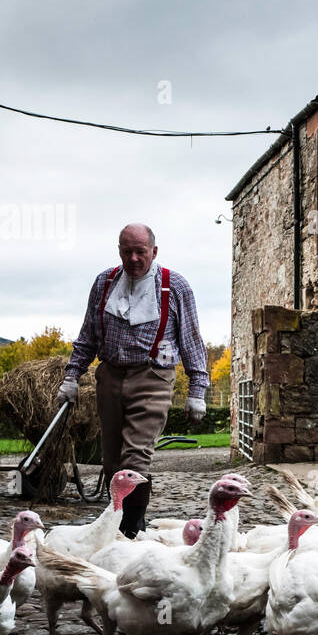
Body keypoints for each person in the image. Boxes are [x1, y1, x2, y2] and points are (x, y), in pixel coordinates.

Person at [58, 223, 208, 536]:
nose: (135, 258)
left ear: (154, 251)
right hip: (110, 376)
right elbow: (88, 334)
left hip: (153, 377)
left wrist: (198, 390)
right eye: (128, 251)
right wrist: (72, 376)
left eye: (141, 251)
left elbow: (192, 339)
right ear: (119, 251)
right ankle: (119, 523)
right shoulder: (104, 282)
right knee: (112, 463)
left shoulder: (174, 286)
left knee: (135, 458)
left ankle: (129, 530)